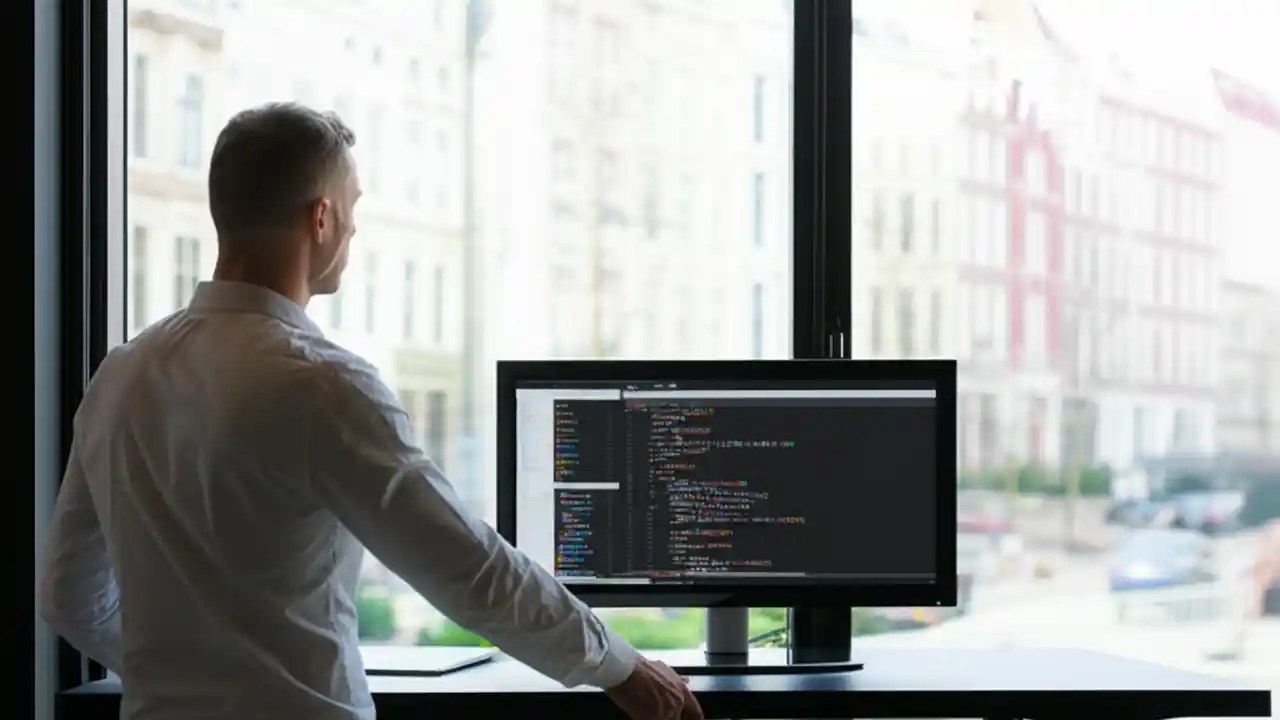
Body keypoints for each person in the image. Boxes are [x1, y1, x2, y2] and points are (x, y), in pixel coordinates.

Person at [39, 102, 703, 720]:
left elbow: (68, 593)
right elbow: (467, 567)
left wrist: (182, 675)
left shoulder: (122, 374)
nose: (355, 227)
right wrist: (618, 665)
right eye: (352, 207)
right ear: (321, 218)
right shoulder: (320, 385)